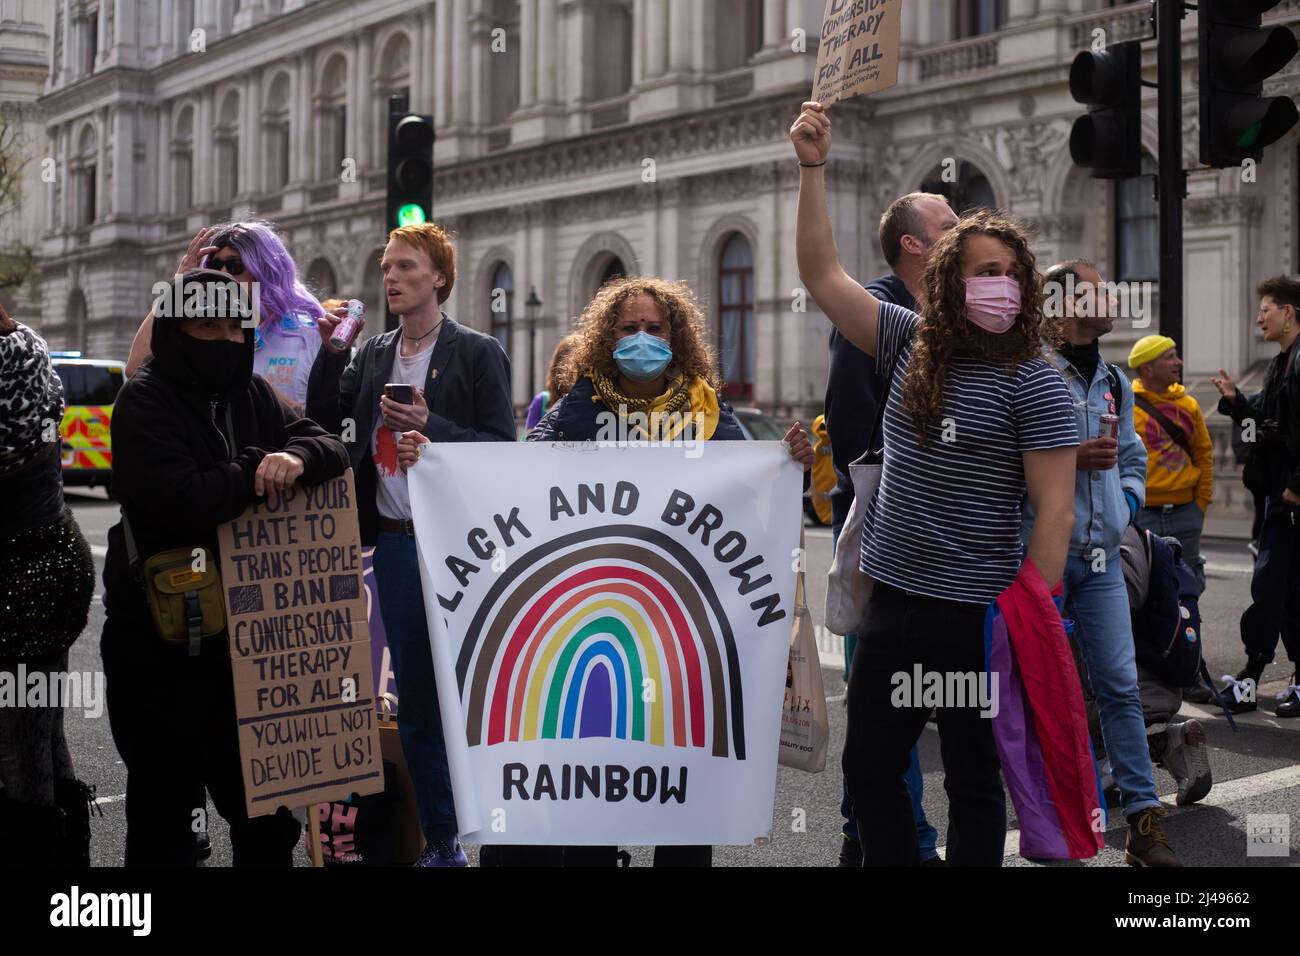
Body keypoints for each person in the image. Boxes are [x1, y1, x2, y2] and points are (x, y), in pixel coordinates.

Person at [420, 276, 812, 866]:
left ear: (676, 337)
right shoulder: (582, 404)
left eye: (655, 329)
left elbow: (751, 488)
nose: (642, 339)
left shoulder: (706, 407)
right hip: (597, 607)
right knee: (599, 767)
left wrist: (789, 463)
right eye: (628, 329)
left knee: (685, 767)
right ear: (608, 337)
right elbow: (517, 474)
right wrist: (433, 449)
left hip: (682, 625)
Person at [793, 101, 1079, 867]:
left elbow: (1055, 511)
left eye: (1013, 274)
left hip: (974, 617)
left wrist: (1026, 612)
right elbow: (821, 272)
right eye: (987, 272)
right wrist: (813, 166)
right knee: (869, 767)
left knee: (974, 778)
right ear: (952, 280)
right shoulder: (905, 339)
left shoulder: (1037, 383)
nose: (1003, 286)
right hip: (894, 606)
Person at [100, 268, 349, 866]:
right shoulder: (144, 402)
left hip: (243, 652)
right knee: (165, 824)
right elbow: (185, 500)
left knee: (265, 823)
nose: (219, 342)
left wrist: (296, 453)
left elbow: (330, 446)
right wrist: (260, 465)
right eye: (203, 326)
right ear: (174, 329)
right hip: (159, 651)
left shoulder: (252, 395)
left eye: (233, 330)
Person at [307, 222, 516, 866]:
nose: (391, 277)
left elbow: (502, 451)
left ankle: (498, 829)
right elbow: (328, 424)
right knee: (420, 703)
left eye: (405, 267)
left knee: (474, 693)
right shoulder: (371, 355)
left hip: (462, 550)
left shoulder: (477, 352)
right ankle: (444, 839)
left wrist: (433, 426)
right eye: (387, 266)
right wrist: (331, 353)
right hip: (395, 546)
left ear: (439, 279)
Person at [1031, 261, 1180, 866]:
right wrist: (1070, 461)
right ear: (1062, 306)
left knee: (1120, 686)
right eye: (1095, 289)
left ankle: (1145, 825)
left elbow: (1132, 459)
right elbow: (1007, 466)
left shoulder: (1115, 380)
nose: (1112, 296)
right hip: (1038, 559)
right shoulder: (1029, 372)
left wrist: (1122, 506)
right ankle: (1053, 824)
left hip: (1099, 561)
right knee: (1043, 692)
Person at [824, 192, 957, 867]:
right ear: (913, 244)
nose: (959, 234)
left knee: (906, 704)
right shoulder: (879, 312)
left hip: (933, 544)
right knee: (889, 705)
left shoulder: (939, 315)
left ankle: (863, 834)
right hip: (883, 538)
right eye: (949, 226)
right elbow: (849, 420)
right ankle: (909, 844)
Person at [0, 304, 97, 866]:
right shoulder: (31, 348)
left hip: (22, 578)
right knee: (41, 733)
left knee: (18, 752)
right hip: (55, 560)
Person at [126, 222, 329, 417]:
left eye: (234, 265)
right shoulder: (203, 334)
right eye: (214, 265)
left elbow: (327, 417)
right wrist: (180, 286)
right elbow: (136, 368)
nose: (221, 274)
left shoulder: (310, 335)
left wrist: (261, 395)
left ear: (264, 271)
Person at [1211, 275, 1300, 717]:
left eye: (1267, 308)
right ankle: (1253, 678)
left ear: (1289, 313)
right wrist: (1236, 402)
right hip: (1277, 497)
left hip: (1290, 499)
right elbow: (1264, 421)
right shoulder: (1279, 362)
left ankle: (1252, 679)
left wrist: (1296, 488)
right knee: (1279, 590)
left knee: (1275, 588)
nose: (1259, 317)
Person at [1127, 334, 1213, 594]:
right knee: (1145, 592)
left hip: (1187, 513)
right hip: (1143, 515)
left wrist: (1200, 504)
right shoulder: (1127, 406)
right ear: (1147, 368)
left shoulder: (1190, 405)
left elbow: (1204, 455)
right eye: (1170, 358)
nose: (1179, 362)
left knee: (1188, 591)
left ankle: (1187, 635)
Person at [524, 333, 581, 433]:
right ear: (556, 370)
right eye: (566, 370)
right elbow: (530, 444)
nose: (571, 377)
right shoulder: (542, 402)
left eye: (577, 369)